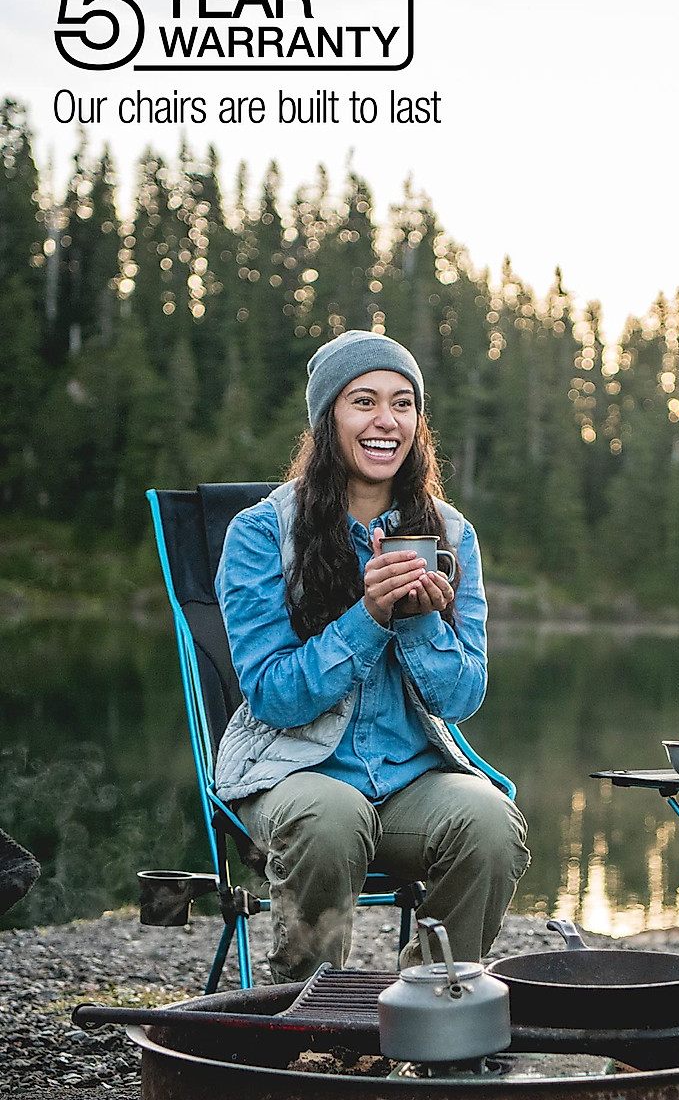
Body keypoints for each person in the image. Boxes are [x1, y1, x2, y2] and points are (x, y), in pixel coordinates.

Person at [214, 329, 530, 983]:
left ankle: (435, 1001)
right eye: (363, 401)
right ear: (327, 417)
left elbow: (463, 695)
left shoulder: (450, 534)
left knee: (490, 822)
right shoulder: (259, 533)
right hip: (293, 777)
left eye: (403, 402)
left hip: (409, 784)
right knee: (330, 817)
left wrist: (416, 625)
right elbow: (272, 694)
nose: (387, 420)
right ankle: (309, 1016)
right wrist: (367, 619)